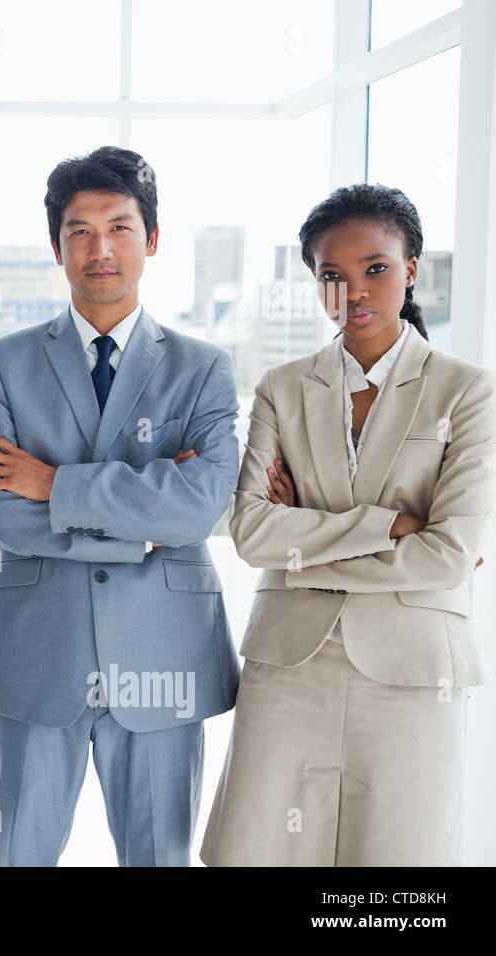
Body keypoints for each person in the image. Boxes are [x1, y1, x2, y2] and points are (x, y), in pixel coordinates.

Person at [200, 183, 495, 866]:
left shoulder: (467, 389)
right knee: (263, 850)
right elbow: (251, 534)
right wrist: (389, 524)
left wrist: (306, 534)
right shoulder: (282, 386)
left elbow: (449, 556)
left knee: (396, 873)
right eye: (332, 275)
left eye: (376, 269)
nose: (353, 292)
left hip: (413, 673)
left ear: (412, 268)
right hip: (289, 667)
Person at [0, 146, 240, 866]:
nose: (100, 249)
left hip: (164, 657)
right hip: (36, 657)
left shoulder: (203, 368)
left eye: (119, 227)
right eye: (80, 231)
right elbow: (3, 513)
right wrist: (144, 525)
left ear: (151, 240)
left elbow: (200, 507)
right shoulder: (1, 363)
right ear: (56, 247)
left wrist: (53, 483)